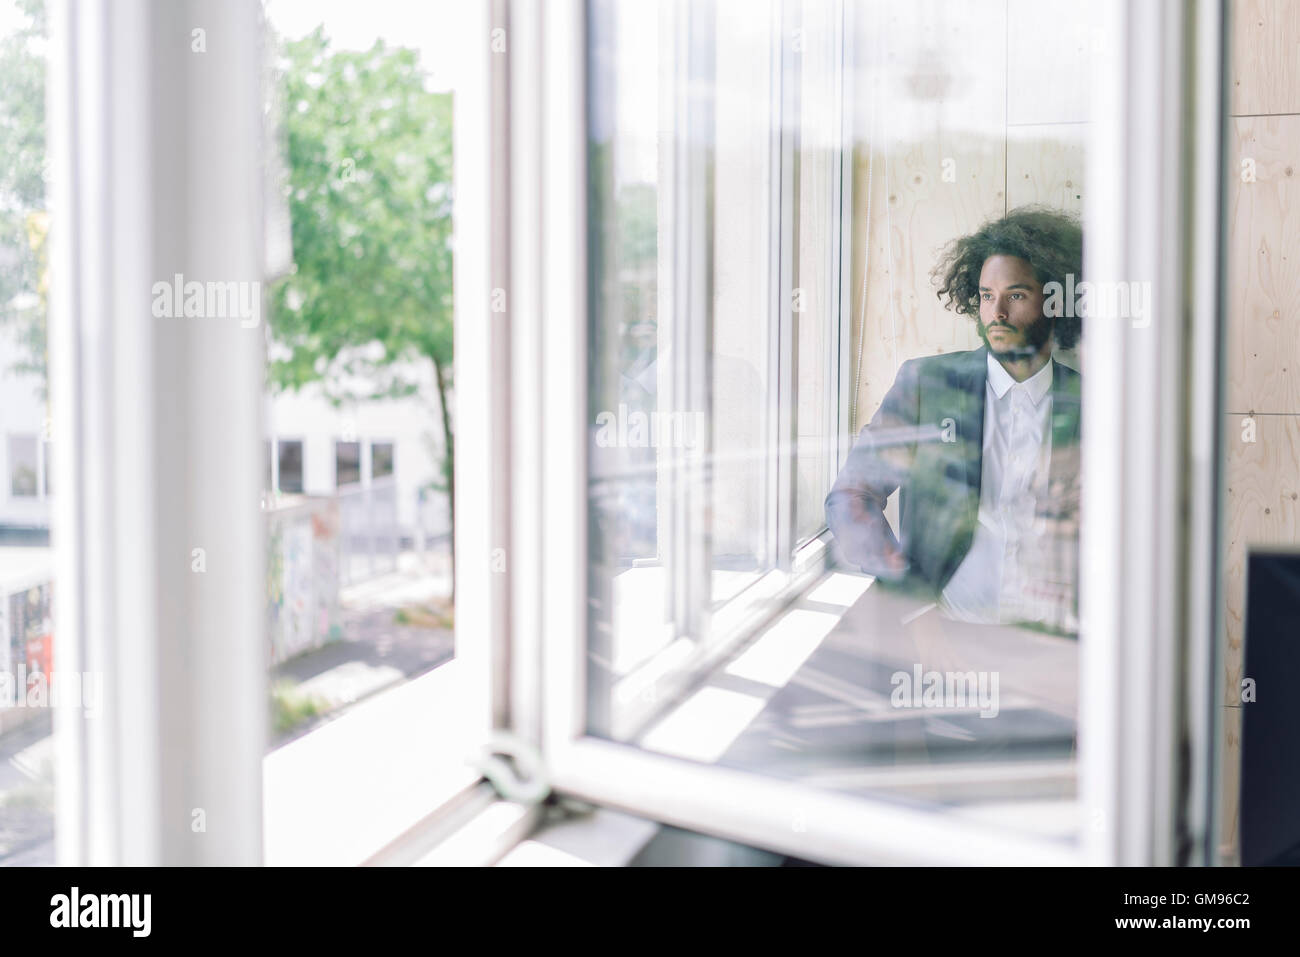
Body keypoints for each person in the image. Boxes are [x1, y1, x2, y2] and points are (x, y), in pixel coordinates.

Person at [825, 206, 1083, 632]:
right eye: (986, 296)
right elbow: (850, 498)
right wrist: (911, 601)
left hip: (1055, 647)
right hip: (945, 640)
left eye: (1016, 295)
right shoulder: (927, 385)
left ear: (1054, 301)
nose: (996, 313)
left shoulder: (1092, 404)